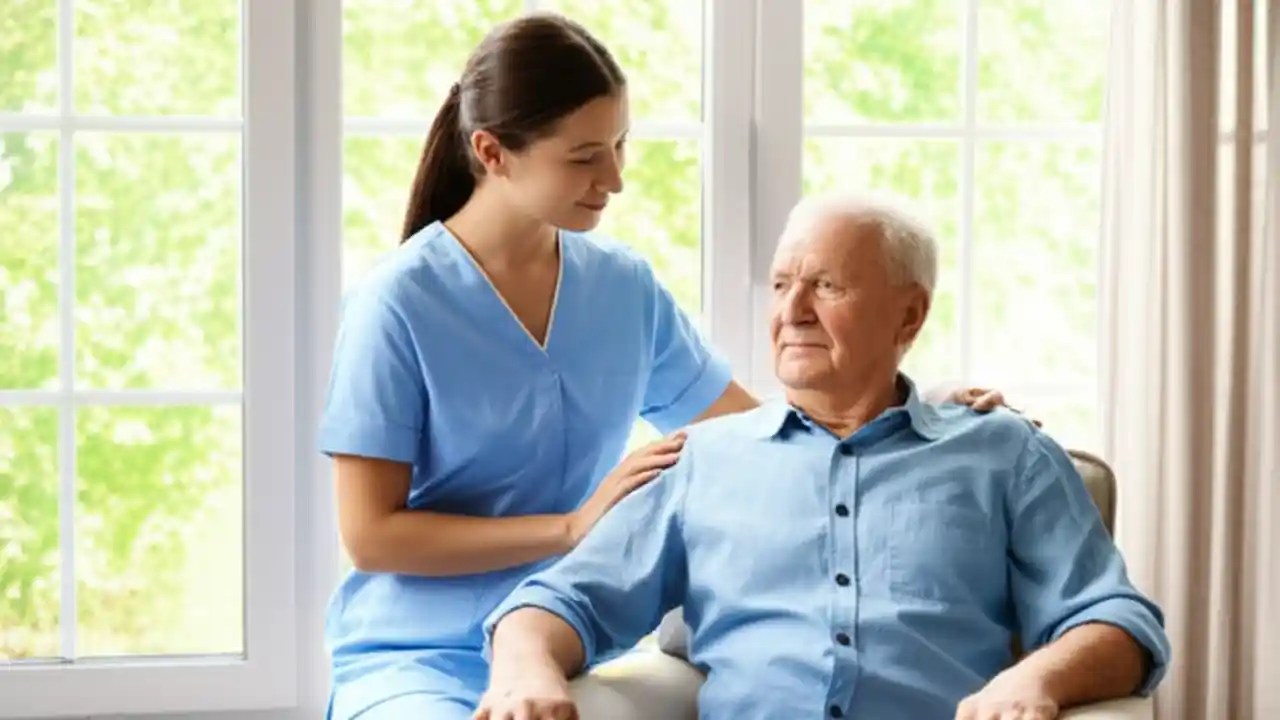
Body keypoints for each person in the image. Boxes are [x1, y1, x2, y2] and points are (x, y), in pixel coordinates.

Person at [319, 13, 1009, 720]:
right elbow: (372, 536)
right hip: (420, 659)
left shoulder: (621, 287)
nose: (614, 178)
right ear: (493, 152)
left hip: (571, 649)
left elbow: (761, 433)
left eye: (620, 145)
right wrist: (567, 529)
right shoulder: (396, 303)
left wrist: (914, 398)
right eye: (584, 157)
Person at [478, 192, 1172, 720]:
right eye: (782, 285)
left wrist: (1038, 678)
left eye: (829, 286)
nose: (794, 310)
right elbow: (562, 599)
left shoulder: (1003, 452)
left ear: (909, 316)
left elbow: (1119, 623)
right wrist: (525, 666)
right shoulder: (706, 461)